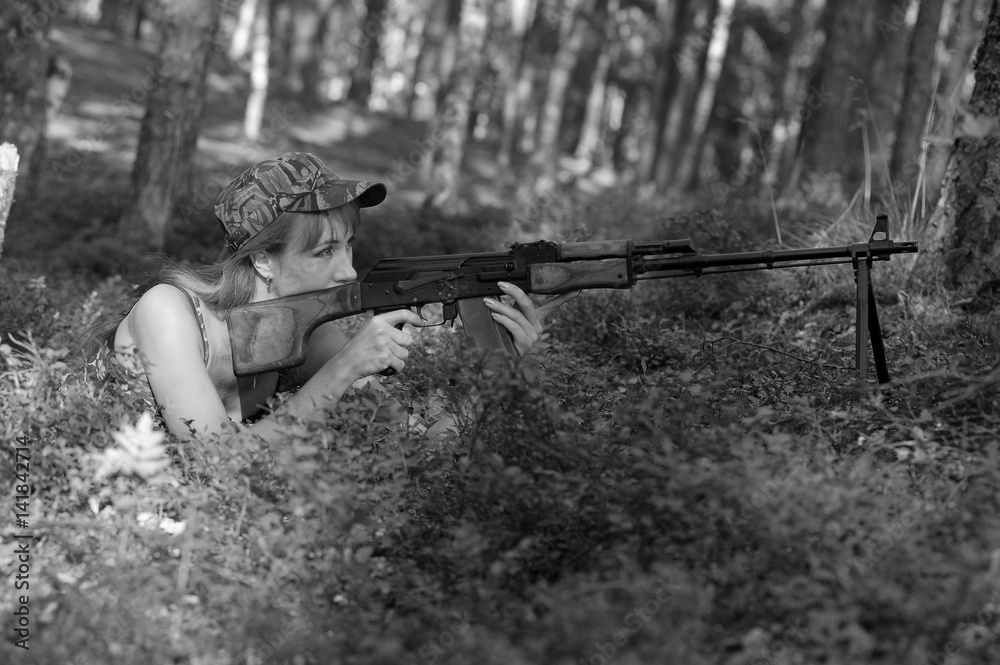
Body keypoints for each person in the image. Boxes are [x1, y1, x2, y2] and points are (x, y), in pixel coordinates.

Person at [89, 152, 576, 441]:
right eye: (323, 251)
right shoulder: (169, 312)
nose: (347, 271)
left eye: (348, 246)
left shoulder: (299, 330)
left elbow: (415, 443)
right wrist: (344, 369)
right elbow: (216, 464)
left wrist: (507, 362)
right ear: (262, 260)